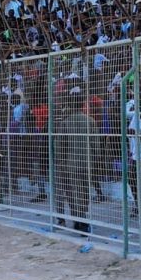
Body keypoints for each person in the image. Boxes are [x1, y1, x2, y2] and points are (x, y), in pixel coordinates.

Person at [57, 96, 94, 233]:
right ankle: (82, 216)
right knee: (85, 191)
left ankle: (79, 219)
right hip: (88, 162)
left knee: (74, 192)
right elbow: (95, 144)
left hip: (71, 163)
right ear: (82, 105)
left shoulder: (66, 123)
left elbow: (60, 145)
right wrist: (96, 160)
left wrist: (61, 161)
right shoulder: (90, 121)